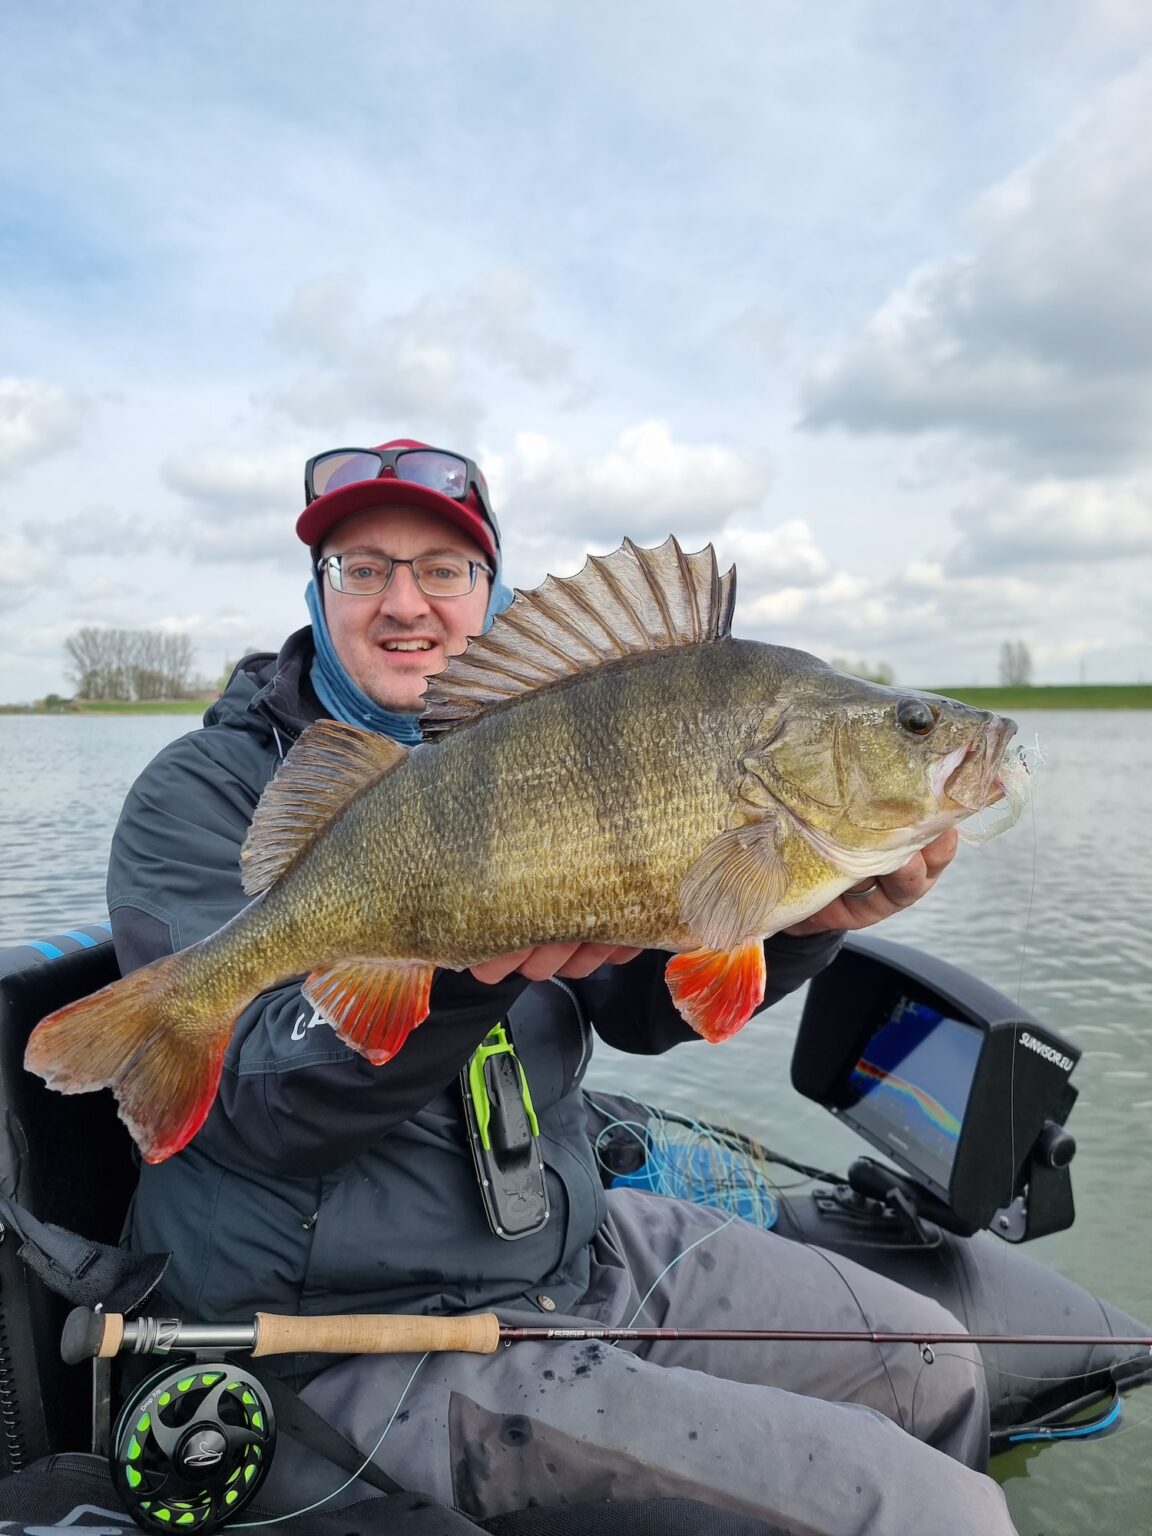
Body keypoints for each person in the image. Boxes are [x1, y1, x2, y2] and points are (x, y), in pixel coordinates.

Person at [108, 438, 1018, 1536]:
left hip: (566, 1253)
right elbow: (255, 1106)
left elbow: (637, 1007)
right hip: (346, 1330)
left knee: (940, 1360)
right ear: (319, 588)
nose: (407, 602)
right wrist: (455, 971)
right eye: (364, 567)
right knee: (928, 1516)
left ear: (487, 593)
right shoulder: (197, 794)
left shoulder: (523, 733)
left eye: (443, 570)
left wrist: (807, 923)